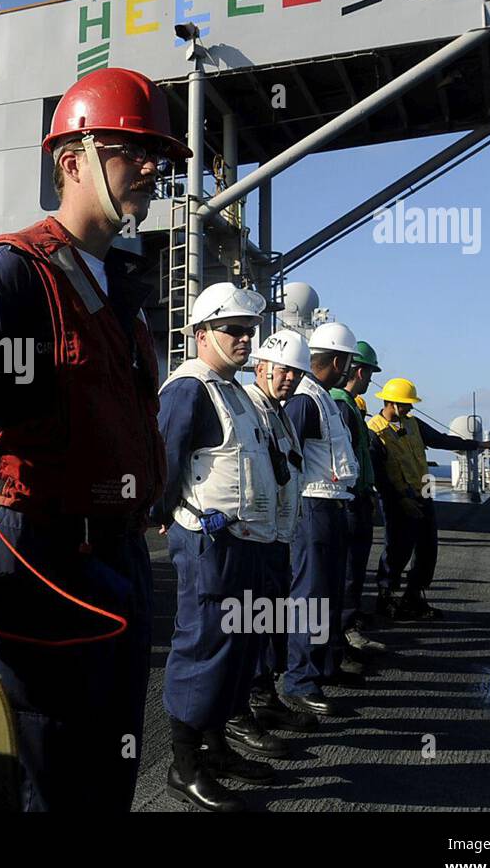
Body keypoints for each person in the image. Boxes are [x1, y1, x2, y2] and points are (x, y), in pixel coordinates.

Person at [0, 67, 185, 812]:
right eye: (129, 149)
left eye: (157, 154)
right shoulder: (8, 277)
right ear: (71, 162)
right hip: (33, 561)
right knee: (36, 776)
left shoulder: (120, 297)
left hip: (118, 560)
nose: (150, 168)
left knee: (105, 773)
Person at [154, 283, 283, 813]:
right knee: (205, 648)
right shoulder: (188, 388)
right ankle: (184, 768)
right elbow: (164, 458)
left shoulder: (233, 390)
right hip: (211, 542)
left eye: (248, 331)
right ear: (201, 333)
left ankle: (217, 748)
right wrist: (162, 515)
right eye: (233, 330)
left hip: (248, 540)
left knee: (238, 650)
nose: (245, 340)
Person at [236, 329, 319, 740]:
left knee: (271, 621)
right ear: (261, 366)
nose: (289, 378)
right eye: (283, 370)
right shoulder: (248, 406)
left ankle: (265, 697)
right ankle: (245, 705)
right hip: (254, 535)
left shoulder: (280, 412)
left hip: (278, 535)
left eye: (296, 373)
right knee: (249, 624)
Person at [279, 322, 360, 717]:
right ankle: (299, 681)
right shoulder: (305, 400)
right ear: (337, 360)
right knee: (309, 596)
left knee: (327, 594)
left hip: (331, 506)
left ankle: (323, 666)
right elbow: (287, 456)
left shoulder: (323, 398)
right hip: (311, 508)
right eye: (346, 361)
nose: (348, 369)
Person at [367, 378, 490, 620]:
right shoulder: (375, 432)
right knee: (397, 548)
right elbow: (380, 476)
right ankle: (385, 597)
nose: (410, 408)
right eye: (406, 404)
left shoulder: (414, 424)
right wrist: (400, 499)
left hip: (422, 495)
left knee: (427, 549)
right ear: (392, 402)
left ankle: (413, 596)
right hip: (397, 500)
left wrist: (477, 445)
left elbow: (441, 440)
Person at [331, 340, 386, 657]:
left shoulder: (347, 403)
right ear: (360, 371)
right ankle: (346, 631)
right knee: (349, 568)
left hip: (357, 497)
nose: (370, 380)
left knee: (352, 567)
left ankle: (348, 625)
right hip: (351, 500)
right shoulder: (341, 404)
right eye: (369, 373)